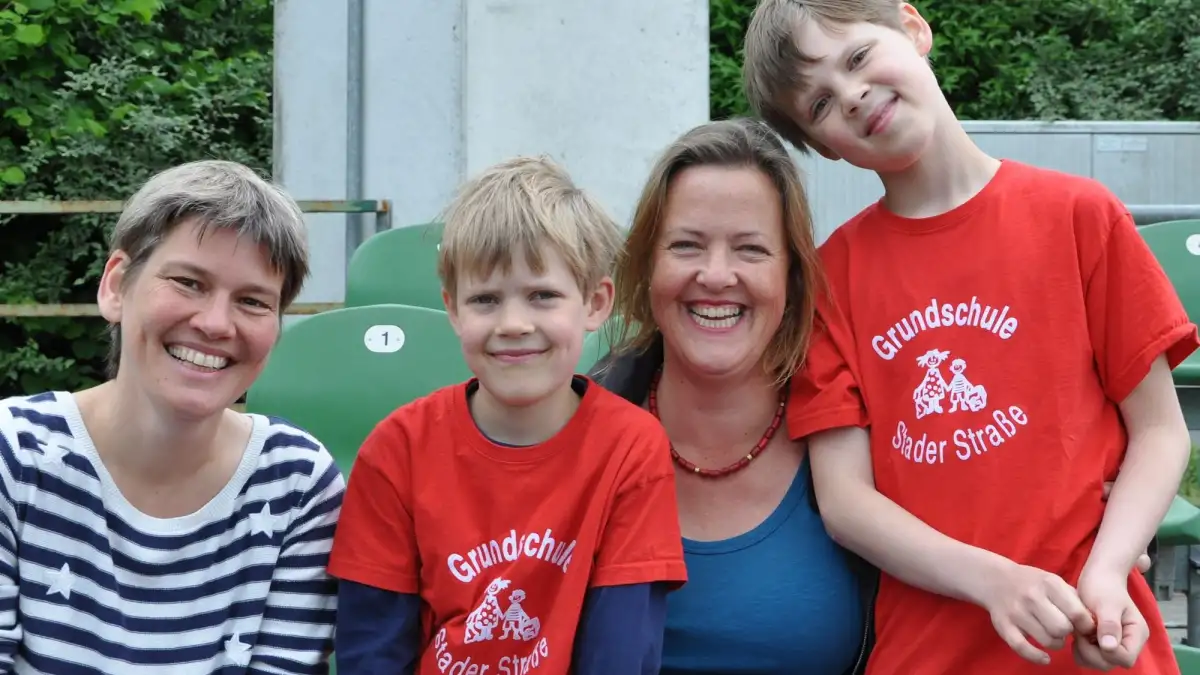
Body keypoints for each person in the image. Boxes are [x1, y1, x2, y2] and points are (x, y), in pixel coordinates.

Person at [743, 2, 1199, 674]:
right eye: (819, 104)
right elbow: (846, 501)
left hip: (1090, 637)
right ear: (825, 146)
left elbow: (1161, 433)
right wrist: (993, 580)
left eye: (858, 58)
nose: (853, 96)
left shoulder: (1079, 217)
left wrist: (1105, 574)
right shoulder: (832, 277)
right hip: (929, 653)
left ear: (912, 27)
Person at [327, 155, 689, 675]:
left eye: (543, 296)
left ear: (594, 302)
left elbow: (621, 650)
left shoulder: (630, 448)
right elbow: (373, 648)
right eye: (486, 300)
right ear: (452, 310)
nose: (514, 323)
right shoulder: (398, 448)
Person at [0, 160, 344, 673]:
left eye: (252, 301)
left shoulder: (297, 485)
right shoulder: (14, 454)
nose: (214, 323)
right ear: (116, 285)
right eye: (188, 282)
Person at [591, 117, 876, 675]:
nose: (717, 276)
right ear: (647, 266)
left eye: (750, 249)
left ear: (792, 278)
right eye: (686, 246)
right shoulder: (576, 434)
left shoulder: (864, 442)